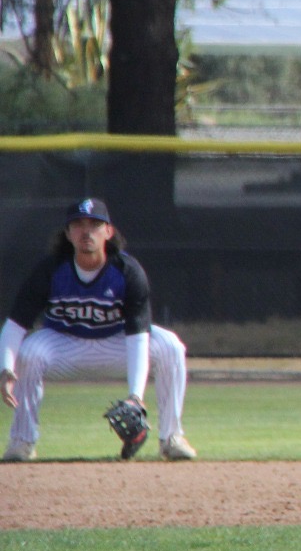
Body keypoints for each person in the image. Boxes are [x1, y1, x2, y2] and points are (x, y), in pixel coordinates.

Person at [1, 198, 194, 462]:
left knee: (170, 345)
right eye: (78, 225)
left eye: (95, 224)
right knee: (29, 352)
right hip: (65, 344)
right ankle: (21, 442)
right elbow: (15, 324)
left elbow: (138, 336)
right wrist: (5, 368)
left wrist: (135, 397)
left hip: (117, 343)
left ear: (108, 232)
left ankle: (172, 438)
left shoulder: (127, 271)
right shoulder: (51, 270)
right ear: (68, 234)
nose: (86, 231)